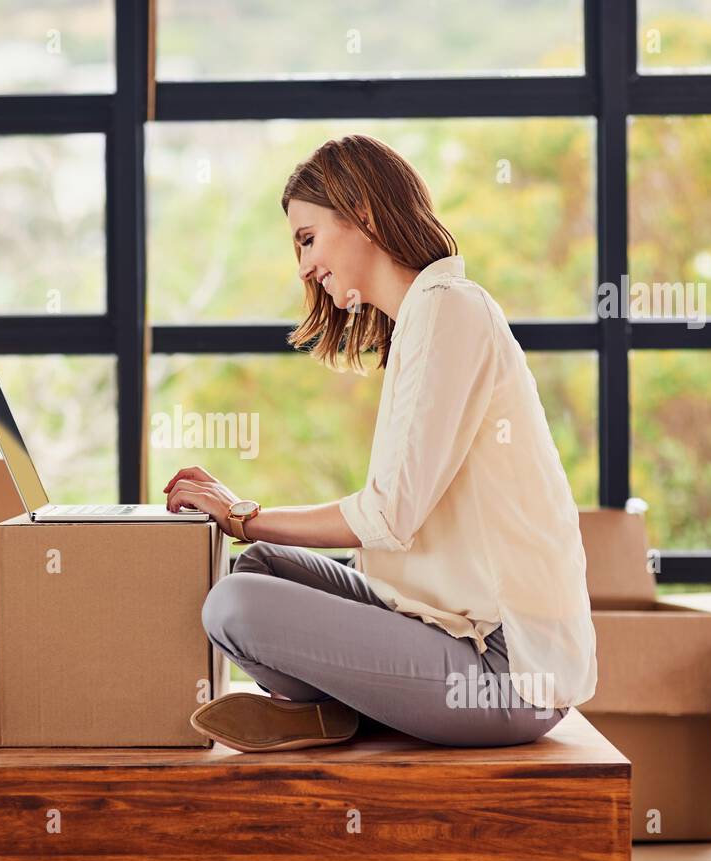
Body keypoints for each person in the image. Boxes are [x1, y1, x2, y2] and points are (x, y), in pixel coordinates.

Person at [163, 134, 597, 753]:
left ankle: (341, 711)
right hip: (436, 624)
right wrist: (250, 530)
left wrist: (244, 515)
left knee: (235, 606)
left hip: (505, 672)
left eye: (308, 239)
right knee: (256, 570)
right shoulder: (422, 321)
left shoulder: (451, 311)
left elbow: (390, 514)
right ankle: (340, 712)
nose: (304, 268)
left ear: (362, 212)